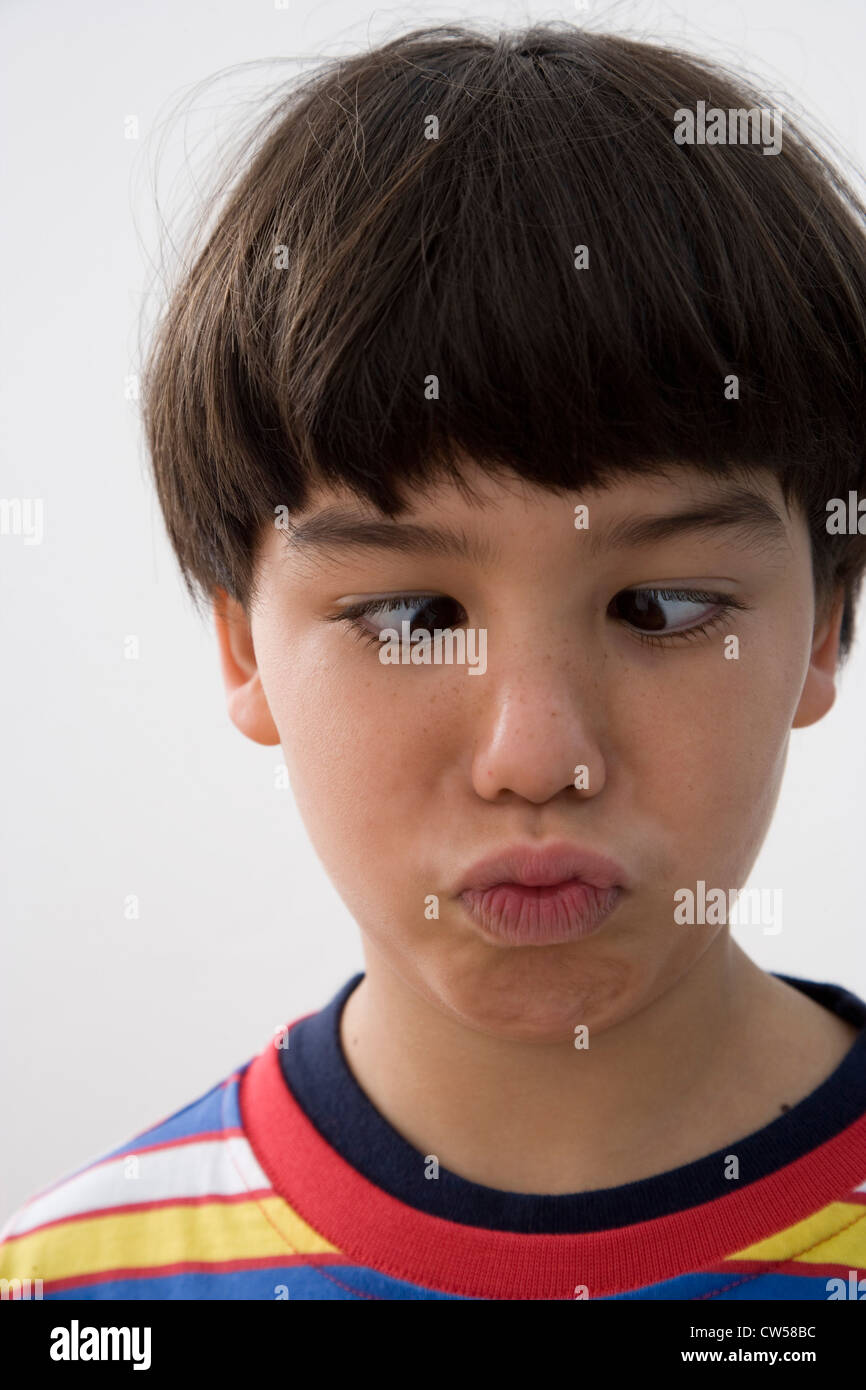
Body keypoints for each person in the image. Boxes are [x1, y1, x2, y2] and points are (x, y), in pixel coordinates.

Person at [4, 22, 866, 1301]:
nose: (535, 756)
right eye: (409, 617)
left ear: (826, 624)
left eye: (660, 604)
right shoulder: (79, 1296)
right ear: (244, 644)